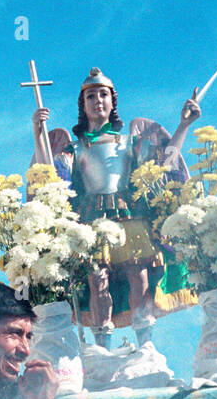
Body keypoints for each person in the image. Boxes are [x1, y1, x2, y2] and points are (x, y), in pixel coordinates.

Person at [33, 66, 200, 346]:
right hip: (91, 219)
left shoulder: (129, 143)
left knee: (139, 274)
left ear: (113, 102)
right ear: (83, 105)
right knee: (96, 279)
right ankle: (102, 347)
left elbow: (164, 165)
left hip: (128, 213)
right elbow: (49, 176)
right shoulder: (75, 148)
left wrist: (184, 125)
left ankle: (145, 343)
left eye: (103, 94)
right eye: (91, 97)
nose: (97, 101)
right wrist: (38, 133)